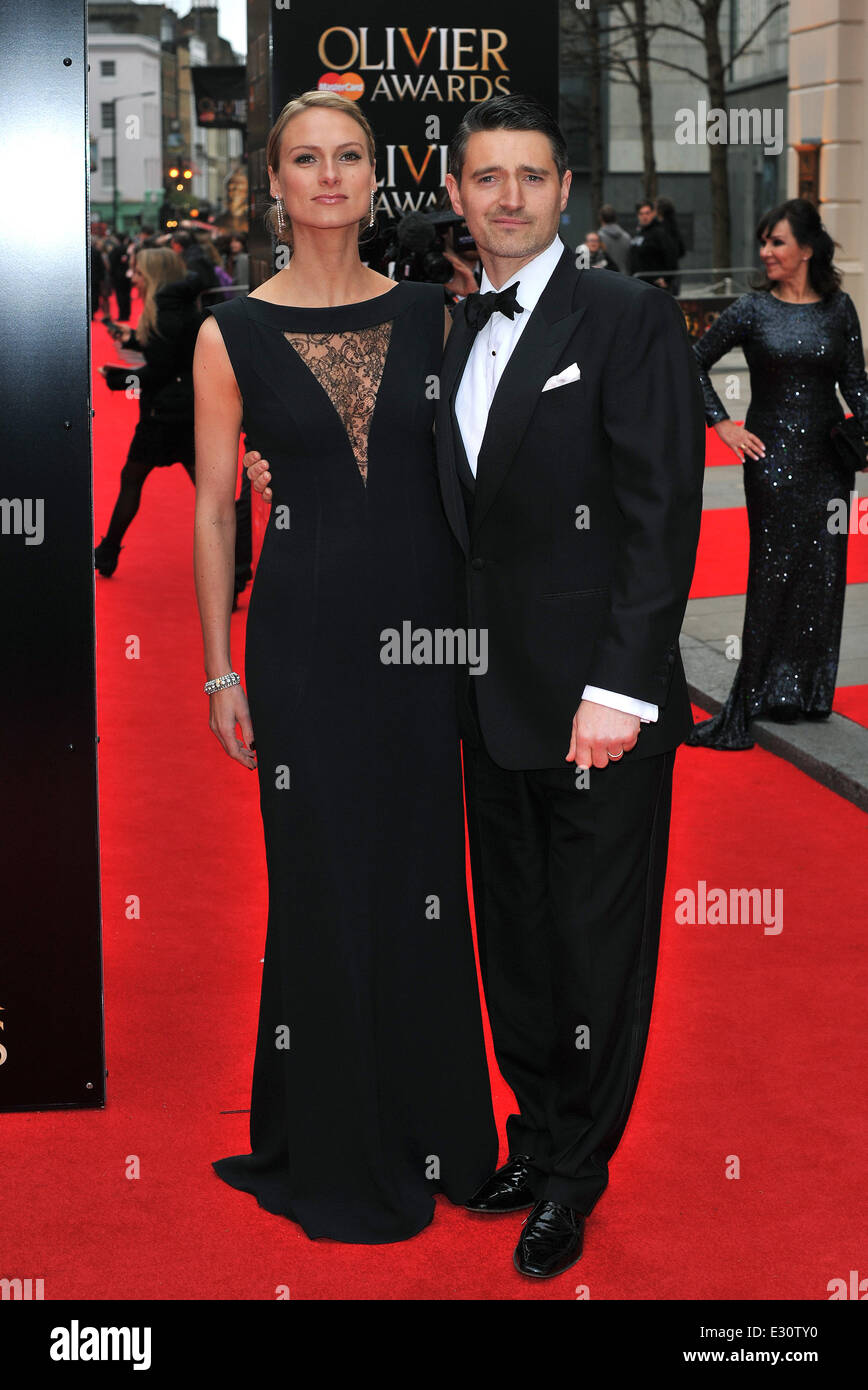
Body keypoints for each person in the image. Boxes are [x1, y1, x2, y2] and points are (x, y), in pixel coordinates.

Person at [245, 93, 706, 1277]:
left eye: (531, 178)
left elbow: (659, 518)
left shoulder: (627, 318)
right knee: (516, 945)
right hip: (482, 703)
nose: (508, 198)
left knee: (594, 952)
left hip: (597, 706)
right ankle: (535, 1132)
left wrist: (623, 688)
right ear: (455, 194)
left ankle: (573, 1175)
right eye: (486, 179)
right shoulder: (445, 329)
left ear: (565, 192)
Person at [193, 89, 497, 1245]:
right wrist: (220, 673)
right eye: (304, 159)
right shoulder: (231, 333)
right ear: (273, 182)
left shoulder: (438, 314)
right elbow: (216, 517)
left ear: (379, 177)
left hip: (425, 649)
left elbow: (485, 472)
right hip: (305, 649)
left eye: (348, 157)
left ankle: (433, 1128)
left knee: (423, 877)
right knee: (321, 880)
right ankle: (332, 1141)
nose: (327, 176)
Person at [687, 198, 868, 749]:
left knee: (822, 574)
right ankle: (755, 693)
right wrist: (722, 425)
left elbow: (855, 382)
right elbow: (692, 359)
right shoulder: (751, 309)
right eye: (764, 242)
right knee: (772, 572)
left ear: (807, 250)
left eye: (777, 242)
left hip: (828, 462)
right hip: (770, 461)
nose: (766, 251)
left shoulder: (840, 309)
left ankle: (802, 692)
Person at [95, 248, 203, 575]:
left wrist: (116, 379)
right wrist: (132, 342)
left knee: (132, 477)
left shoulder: (166, 310)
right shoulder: (175, 307)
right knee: (208, 488)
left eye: (138, 272)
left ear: (154, 274)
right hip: (185, 410)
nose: (133, 278)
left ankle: (107, 553)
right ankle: (237, 564)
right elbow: (167, 353)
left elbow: (160, 371)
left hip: (167, 414)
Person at [628, 199, 674, 289]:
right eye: (641, 214)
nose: (644, 216)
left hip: (655, 285)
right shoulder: (639, 232)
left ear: (653, 213)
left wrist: (667, 278)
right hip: (639, 282)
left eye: (647, 213)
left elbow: (671, 255)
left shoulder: (660, 232)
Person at [655, 196, 685, 295]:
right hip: (674, 272)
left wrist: (666, 278)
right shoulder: (674, 227)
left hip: (665, 275)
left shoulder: (662, 230)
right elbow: (681, 250)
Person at [598, 203, 631, 273]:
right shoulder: (627, 237)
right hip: (625, 278)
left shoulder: (598, 238)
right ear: (615, 218)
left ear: (601, 218)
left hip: (605, 278)